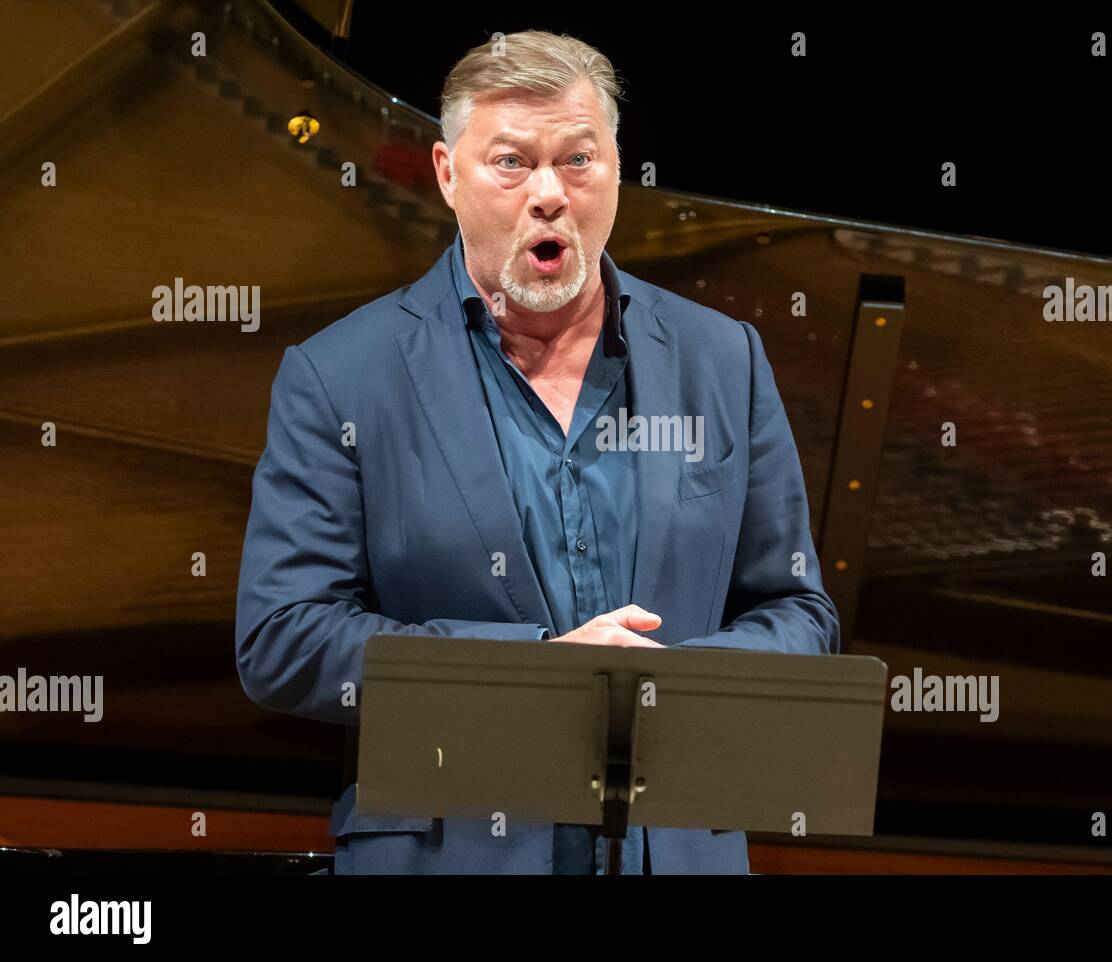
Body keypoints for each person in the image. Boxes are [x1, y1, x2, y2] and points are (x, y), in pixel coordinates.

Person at [235, 29, 838, 875]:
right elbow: (283, 639)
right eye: (511, 163)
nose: (549, 195)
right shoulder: (342, 377)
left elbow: (801, 614)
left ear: (619, 170)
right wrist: (538, 676)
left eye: (579, 160)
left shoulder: (722, 359)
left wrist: (663, 686)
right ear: (447, 174)